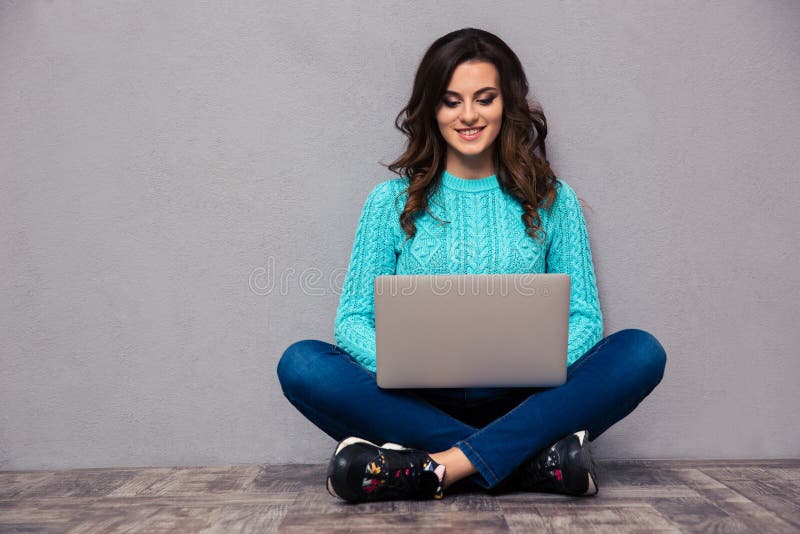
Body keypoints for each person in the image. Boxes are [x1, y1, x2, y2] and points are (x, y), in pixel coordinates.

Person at [277, 28, 666, 503]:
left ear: (508, 104)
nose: (468, 116)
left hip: (527, 401)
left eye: (484, 99)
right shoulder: (388, 202)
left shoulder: (553, 200)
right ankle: (530, 464)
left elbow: (584, 316)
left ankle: (436, 467)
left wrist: (537, 366)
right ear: (431, 109)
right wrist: (404, 366)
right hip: (415, 402)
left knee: (640, 351)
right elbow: (353, 320)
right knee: (302, 364)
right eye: (451, 101)